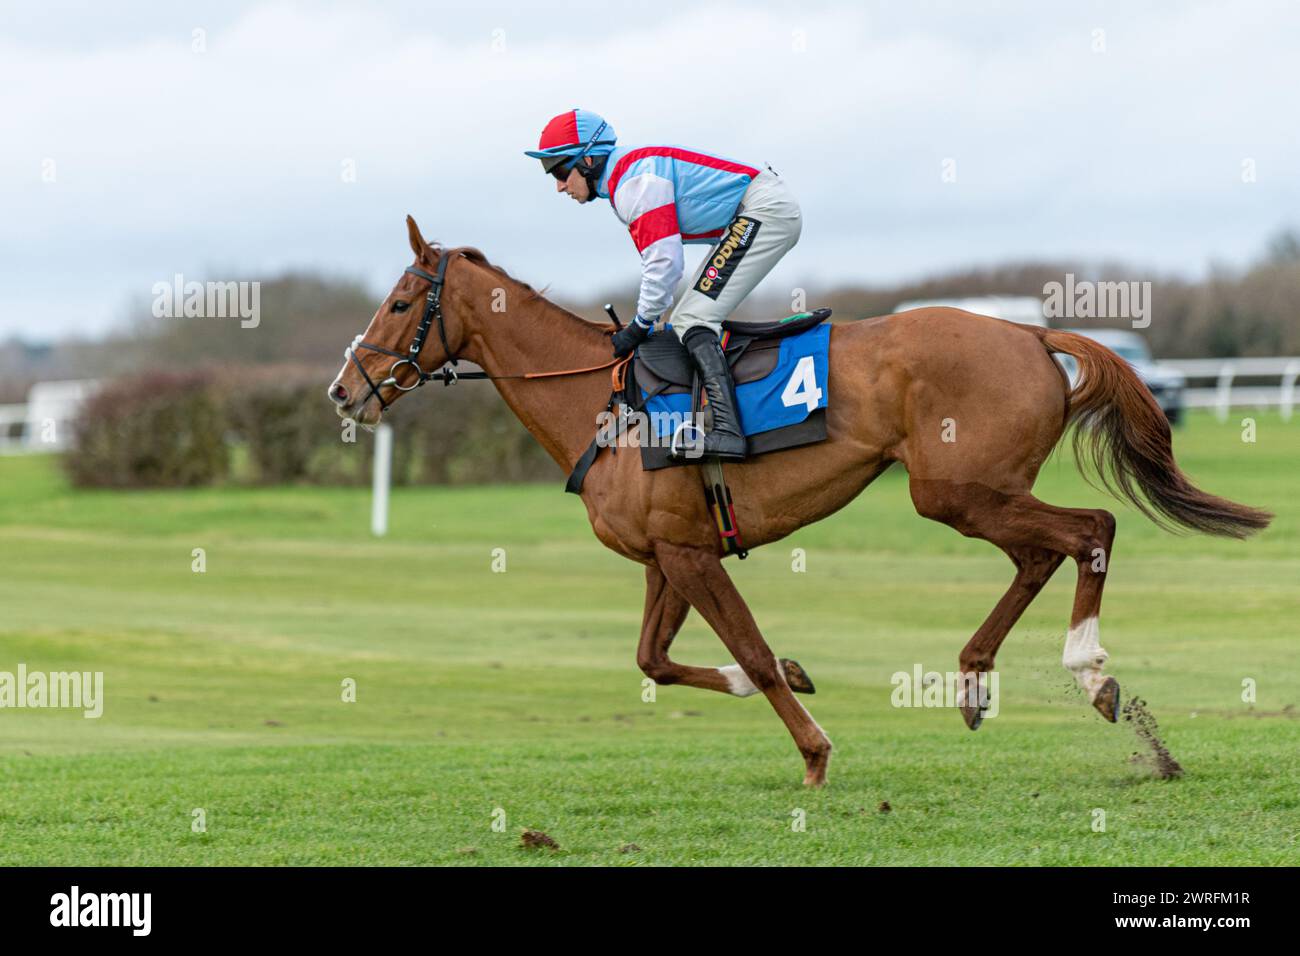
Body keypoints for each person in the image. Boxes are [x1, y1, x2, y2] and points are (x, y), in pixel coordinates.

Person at [525, 109, 802, 460]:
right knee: (689, 313)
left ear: (590, 159)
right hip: (754, 210)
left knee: (692, 318)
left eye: (561, 171)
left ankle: (729, 433)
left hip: (763, 210)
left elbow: (664, 263)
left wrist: (640, 325)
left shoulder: (632, 184)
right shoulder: (626, 177)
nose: (559, 185)